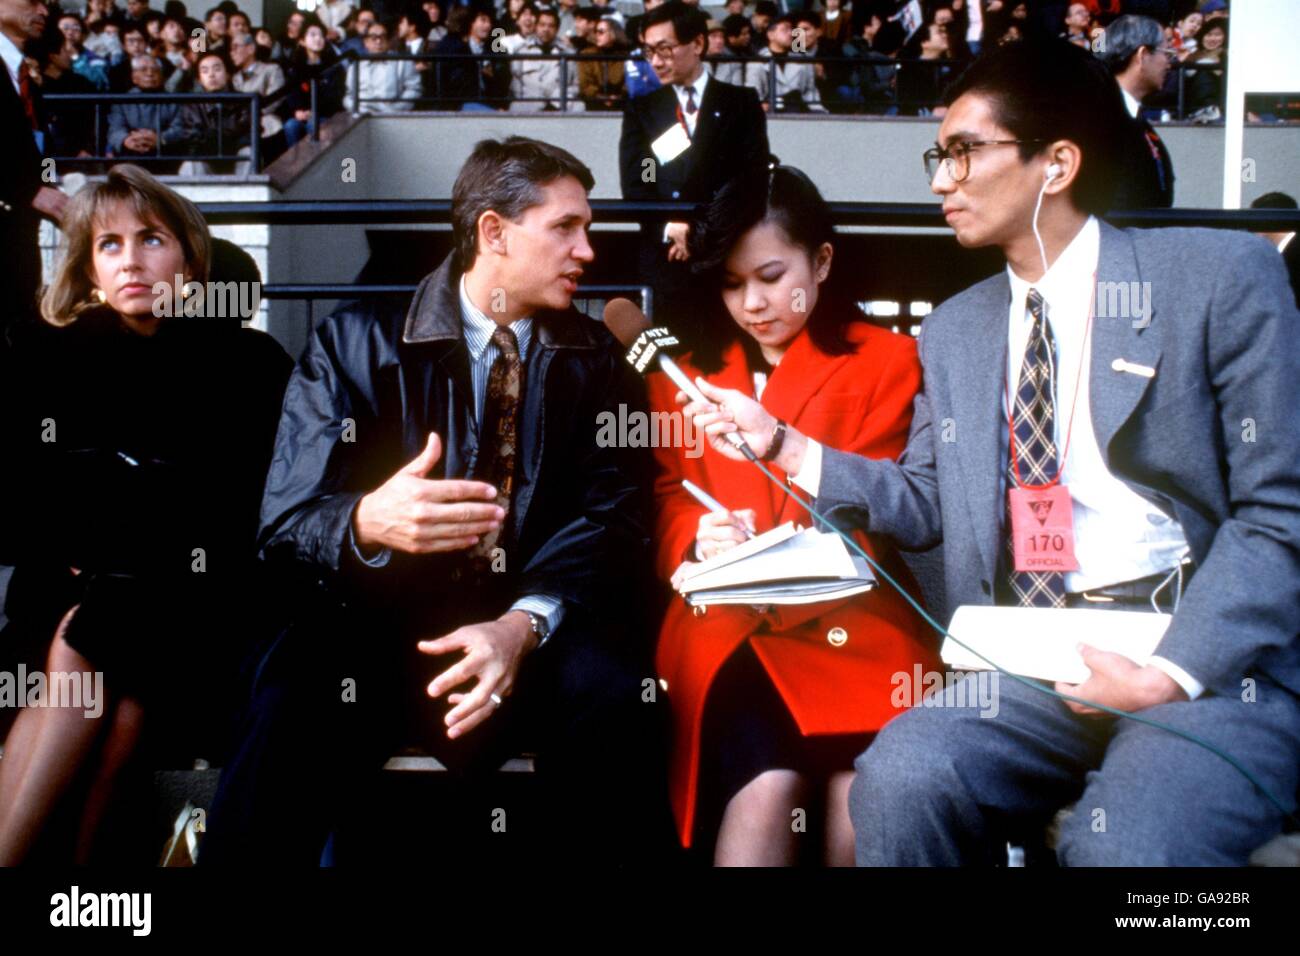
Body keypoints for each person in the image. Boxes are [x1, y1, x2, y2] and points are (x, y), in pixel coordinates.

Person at [680, 38, 1300, 867]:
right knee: (897, 780)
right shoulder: (958, 328)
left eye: (965, 153)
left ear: (1058, 164)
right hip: (1033, 652)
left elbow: (1279, 511)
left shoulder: (1219, 278)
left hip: (1203, 664)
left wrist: (1172, 671)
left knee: (1125, 854)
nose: (940, 179)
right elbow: (926, 502)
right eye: (941, 155)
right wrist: (783, 444)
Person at [201, 136, 672, 866]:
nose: (587, 250)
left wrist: (522, 625)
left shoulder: (599, 359)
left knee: (618, 697)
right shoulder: (352, 341)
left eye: (588, 229)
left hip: (539, 626)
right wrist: (364, 520)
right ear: (493, 231)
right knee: (291, 697)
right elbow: (286, 522)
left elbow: (619, 515)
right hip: (379, 625)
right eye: (565, 227)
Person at [649, 164, 940, 865]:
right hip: (731, 626)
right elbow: (668, 495)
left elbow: (897, 502)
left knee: (857, 803)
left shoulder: (892, 361)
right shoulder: (681, 375)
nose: (753, 303)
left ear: (824, 261)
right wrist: (696, 538)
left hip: (856, 619)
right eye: (731, 282)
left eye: (773, 276)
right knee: (767, 790)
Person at [0, 164, 291, 864]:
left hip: (197, 596)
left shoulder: (247, 361)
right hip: (73, 597)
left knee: (103, 639)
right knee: (108, 671)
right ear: (89, 266)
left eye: (150, 239)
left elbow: (247, 506)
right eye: (108, 245)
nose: (130, 259)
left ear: (189, 259)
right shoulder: (57, 357)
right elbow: (30, 499)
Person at [619, 0, 768, 323]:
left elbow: (749, 180)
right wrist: (668, 224)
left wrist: (699, 231)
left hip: (726, 257)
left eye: (665, 49)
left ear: (697, 44)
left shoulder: (740, 103)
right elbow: (640, 179)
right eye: (648, 51)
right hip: (664, 261)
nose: (655, 62)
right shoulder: (643, 109)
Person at [1, 0, 68, 345]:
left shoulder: (27, 79)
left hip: (21, 248)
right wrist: (28, 190)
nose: (43, 11)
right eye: (33, 0)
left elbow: (44, 152)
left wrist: (49, 184)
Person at [1102, 15, 1174, 209]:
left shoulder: (1133, 118)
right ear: (1142, 55)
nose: (1169, 63)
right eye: (1166, 53)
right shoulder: (1100, 118)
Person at [107, 53, 183, 170]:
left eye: (155, 70)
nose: (150, 73)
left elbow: (178, 128)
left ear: (162, 76)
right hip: (131, 154)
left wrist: (160, 139)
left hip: (165, 153)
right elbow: (115, 129)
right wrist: (127, 140)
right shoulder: (122, 101)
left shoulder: (173, 100)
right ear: (134, 77)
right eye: (143, 70)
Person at [277, 18, 345, 145]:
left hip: (326, 114)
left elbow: (336, 95)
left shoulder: (333, 66)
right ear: (302, 41)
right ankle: (296, 164)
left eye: (321, 35)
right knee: (290, 126)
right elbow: (292, 94)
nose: (318, 39)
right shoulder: (295, 67)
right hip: (303, 115)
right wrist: (297, 111)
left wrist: (314, 111)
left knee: (313, 125)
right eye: (312, 34)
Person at [508, 6, 581, 111]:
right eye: (542, 25)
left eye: (551, 26)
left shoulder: (568, 53)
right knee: (515, 106)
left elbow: (575, 86)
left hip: (559, 104)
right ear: (536, 26)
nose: (546, 29)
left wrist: (556, 100)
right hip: (529, 104)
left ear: (557, 29)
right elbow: (515, 83)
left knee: (578, 106)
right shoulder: (521, 51)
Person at [344, 17, 422, 113]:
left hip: (394, 115)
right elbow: (349, 96)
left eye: (382, 37)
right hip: (363, 115)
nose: (378, 41)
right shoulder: (355, 66)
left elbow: (414, 90)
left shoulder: (403, 62)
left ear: (388, 41)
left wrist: (394, 110)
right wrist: (359, 109)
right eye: (373, 37)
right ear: (365, 42)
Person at [577, 14, 626, 110]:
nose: (597, 35)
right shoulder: (587, 54)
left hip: (620, 102)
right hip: (593, 102)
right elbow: (585, 85)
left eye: (601, 32)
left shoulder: (624, 56)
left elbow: (629, 82)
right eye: (596, 32)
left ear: (613, 33)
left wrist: (619, 96)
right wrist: (601, 97)